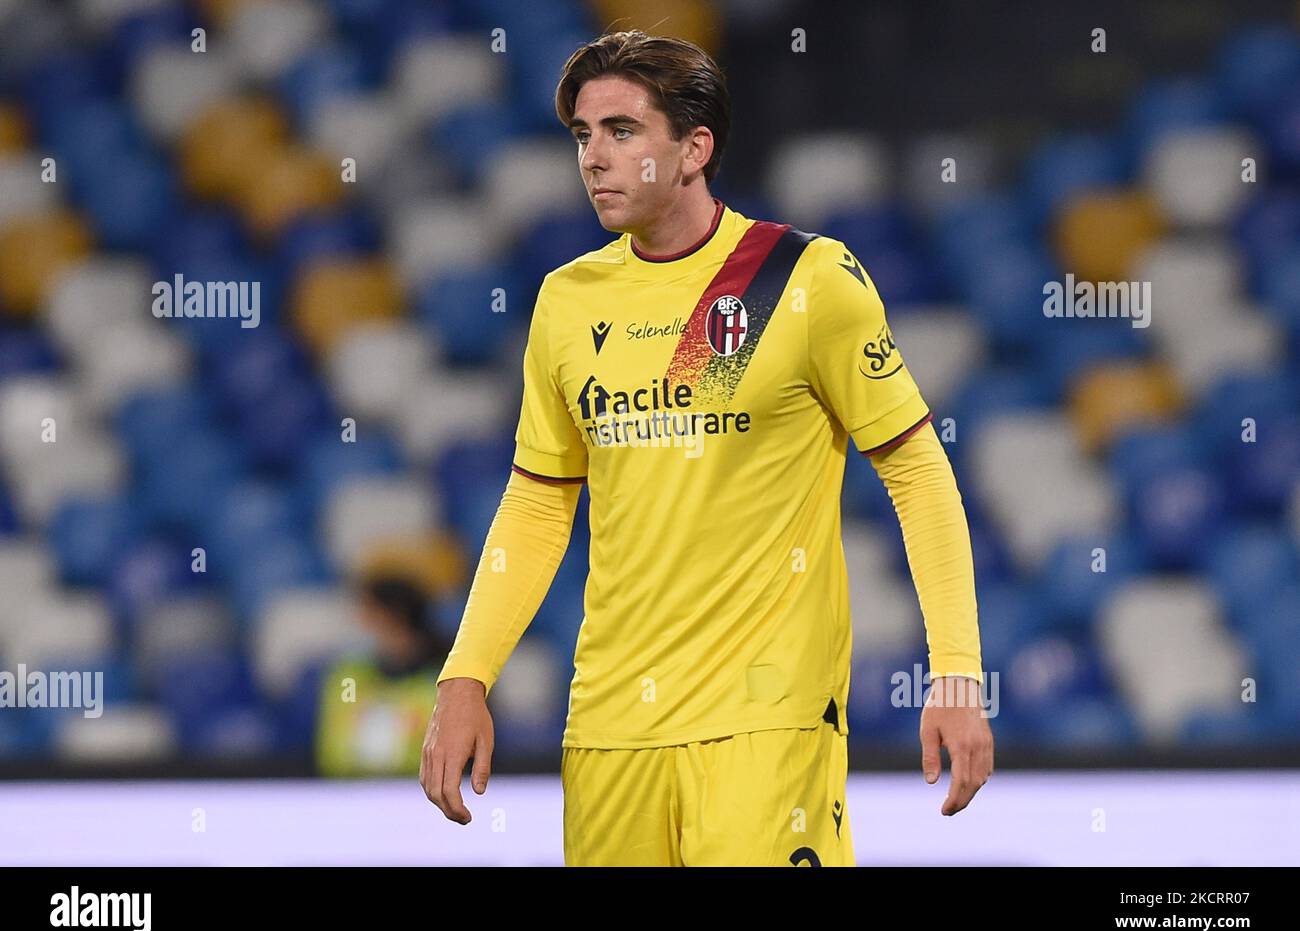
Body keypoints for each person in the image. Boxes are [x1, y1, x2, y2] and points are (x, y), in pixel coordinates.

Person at [420, 30, 993, 866]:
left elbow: (916, 471)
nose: (593, 159)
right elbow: (540, 501)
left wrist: (956, 676)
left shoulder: (800, 279)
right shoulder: (566, 302)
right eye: (583, 135)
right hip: (611, 725)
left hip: (766, 717)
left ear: (695, 148)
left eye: (622, 131)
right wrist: (465, 676)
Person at [317, 575, 449, 777]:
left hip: (420, 796)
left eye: (367, 613)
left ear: (395, 615)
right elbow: (333, 752)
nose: (358, 622)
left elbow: (441, 754)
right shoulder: (349, 677)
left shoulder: (446, 680)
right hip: (353, 796)